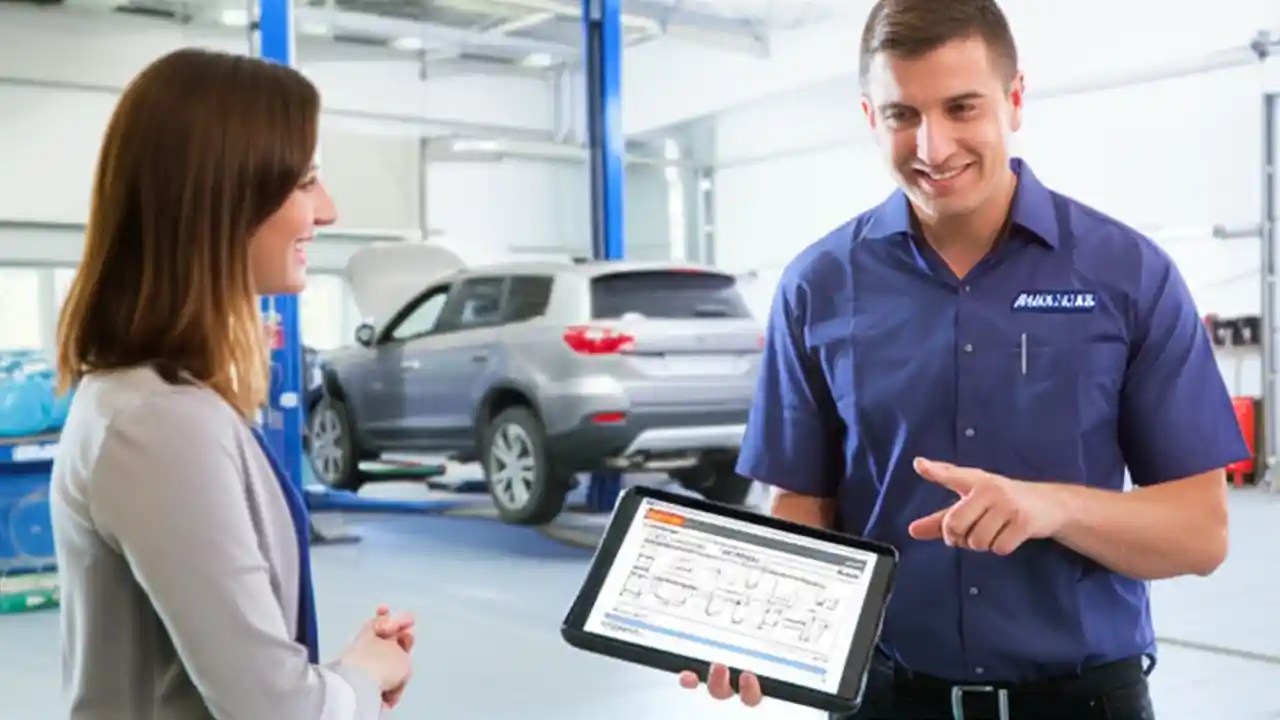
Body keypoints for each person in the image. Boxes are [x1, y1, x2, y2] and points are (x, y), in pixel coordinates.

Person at [679, 0, 1247, 718]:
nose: (933, 145)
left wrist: (1051, 506)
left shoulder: (1128, 275)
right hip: (886, 700)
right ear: (868, 118)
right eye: (902, 115)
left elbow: (1200, 534)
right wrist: (757, 620)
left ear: (1014, 101)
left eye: (961, 107)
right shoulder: (816, 287)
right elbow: (802, 501)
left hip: (1083, 703)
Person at [50, 48, 416, 719]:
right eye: (305, 183)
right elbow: (276, 711)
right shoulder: (157, 424)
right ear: (223, 198)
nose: (327, 211)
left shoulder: (154, 402)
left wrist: (345, 672)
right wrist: (359, 680)